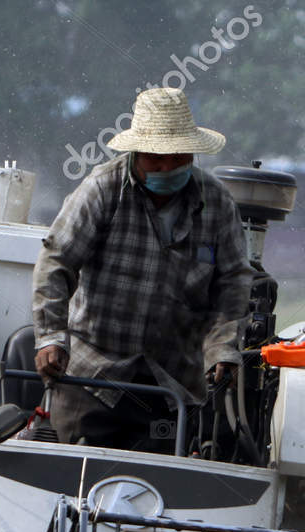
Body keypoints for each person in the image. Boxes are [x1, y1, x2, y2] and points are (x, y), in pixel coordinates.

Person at [32, 87, 252, 451]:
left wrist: (222, 348)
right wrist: (51, 336)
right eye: (155, 158)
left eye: (177, 157)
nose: (167, 167)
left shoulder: (216, 202)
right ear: (136, 152)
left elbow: (233, 282)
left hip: (171, 386)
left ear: (192, 153)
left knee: (158, 492)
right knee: (74, 482)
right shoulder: (103, 190)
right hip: (93, 377)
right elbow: (56, 262)